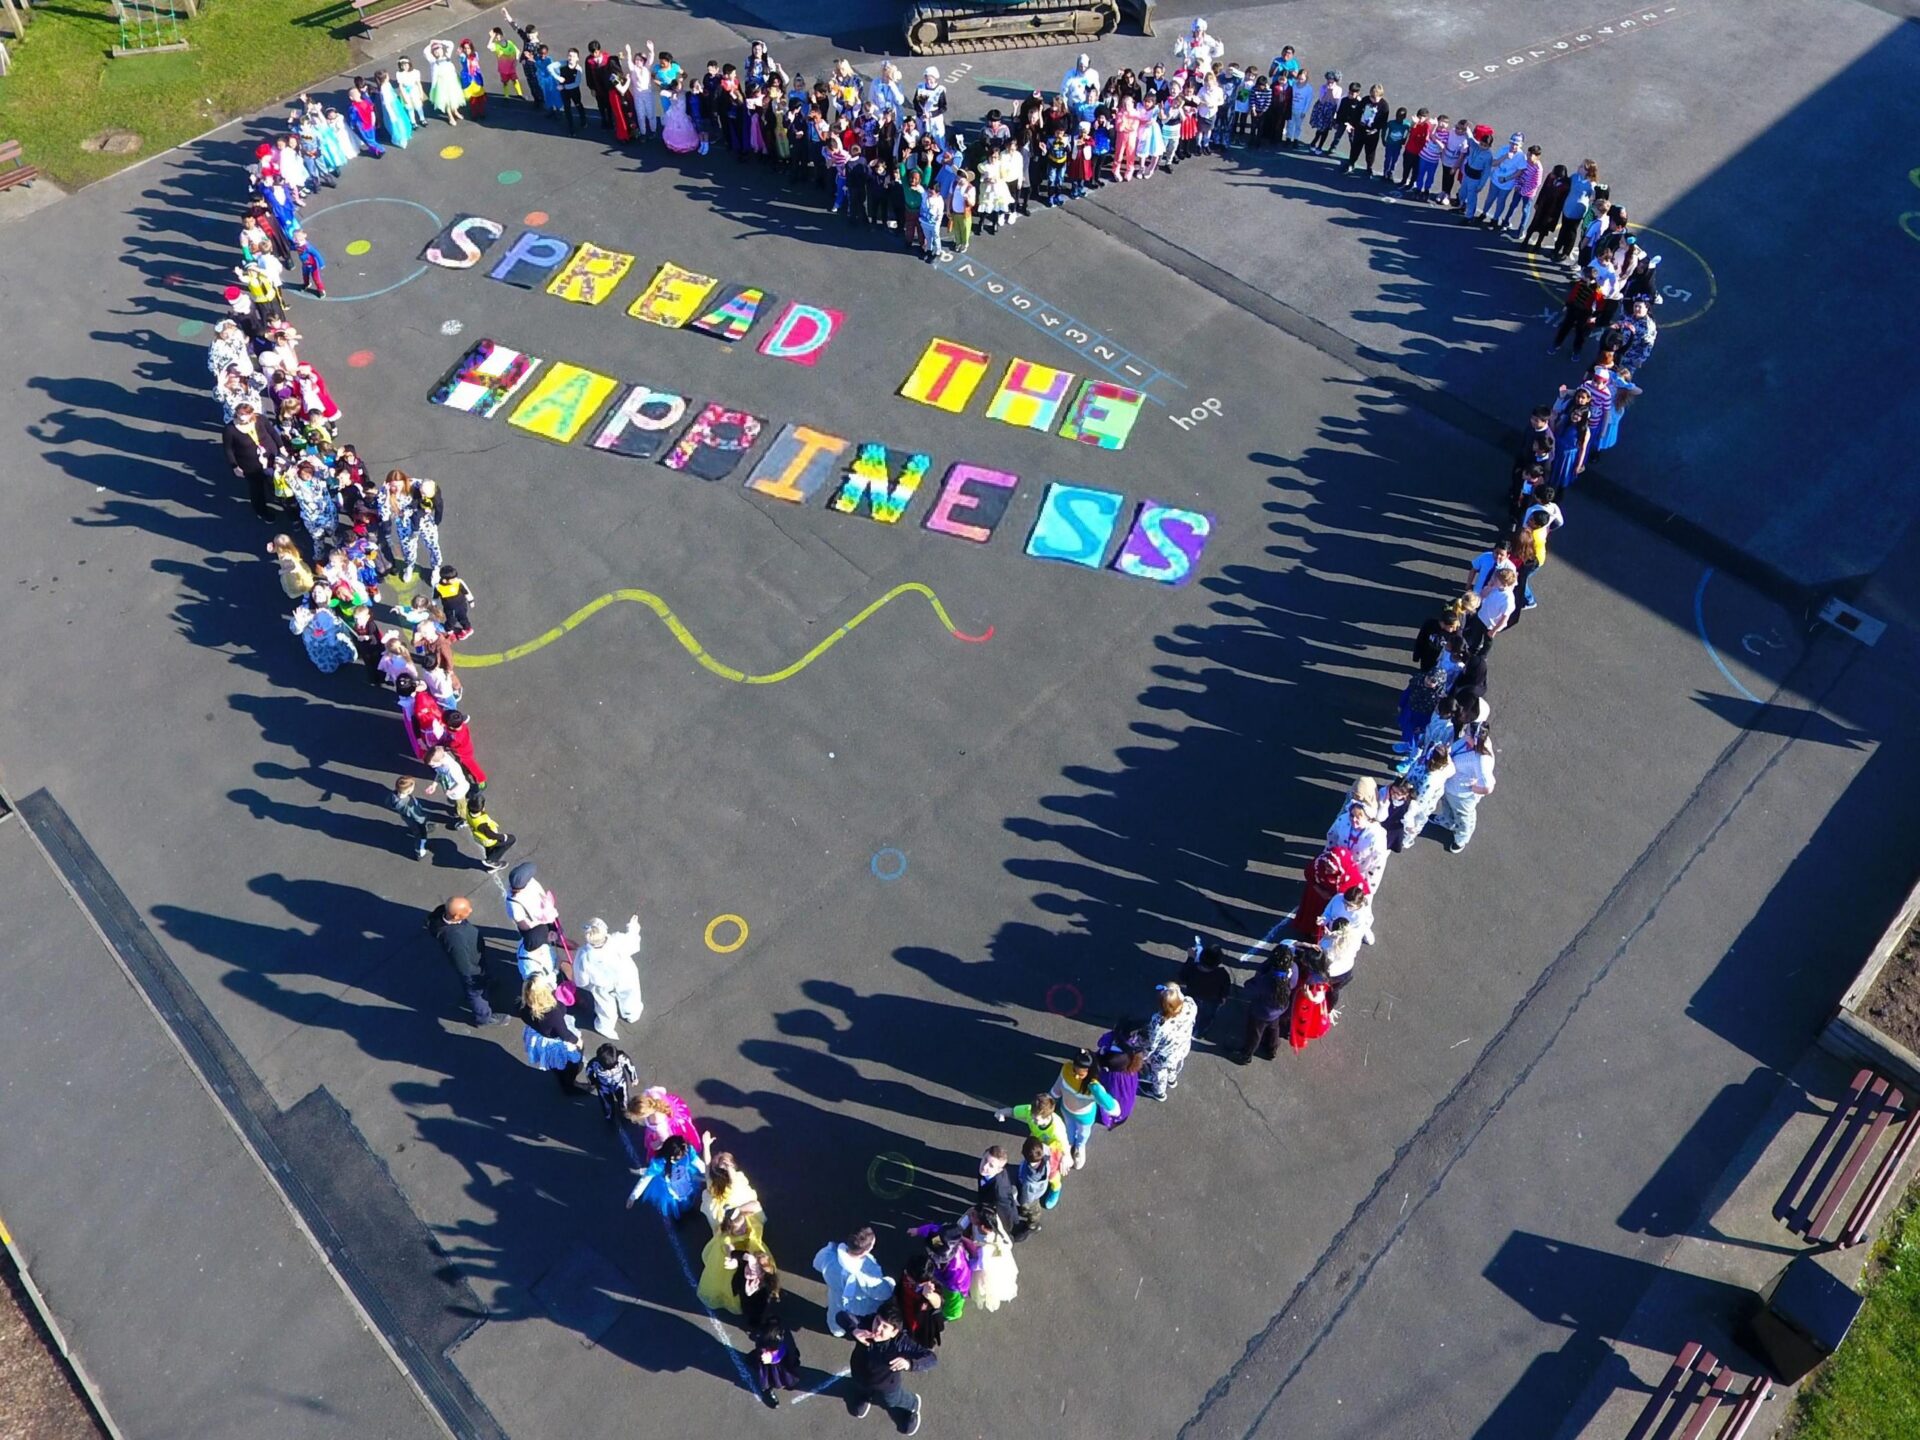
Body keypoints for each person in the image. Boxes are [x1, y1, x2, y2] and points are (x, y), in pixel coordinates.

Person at [847, 1303, 934, 1433]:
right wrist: (854, 1330)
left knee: (891, 1402)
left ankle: (912, 1404)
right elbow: (843, 1315)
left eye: (885, 1327)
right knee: (860, 1387)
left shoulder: (900, 1343)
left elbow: (931, 1358)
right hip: (859, 1374)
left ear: (894, 1332)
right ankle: (865, 1396)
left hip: (886, 1385)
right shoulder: (866, 1325)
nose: (877, 1329)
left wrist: (909, 1364)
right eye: (877, 1321)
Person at [424, 896, 508, 1027]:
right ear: (457, 916)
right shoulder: (454, 938)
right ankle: (484, 1018)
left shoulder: (445, 913)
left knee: (481, 980)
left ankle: (487, 981)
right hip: (474, 971)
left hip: (478, 962)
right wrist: (475, 977)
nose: (470, 910)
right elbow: (463, 965)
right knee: (476, 995)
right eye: (466, 910)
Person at [814, 1226, 895, 1337]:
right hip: (859, 1306)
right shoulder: (869, 1270)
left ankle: (836, 1329)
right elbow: (882, 1293)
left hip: (836, 1297)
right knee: (858, 1319)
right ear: (867, 1250)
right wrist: (890, 1283)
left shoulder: (830, 1254)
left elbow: (817, 1263)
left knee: (834, 1313)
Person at [574, 914, 644, 1039]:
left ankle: (605, 1027)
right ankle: (632, 1014)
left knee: (605, 1008)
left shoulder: (583, 955)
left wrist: (587, 985)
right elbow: (634, 944)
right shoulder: (617, 940)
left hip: (602, 986)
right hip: (626, 977)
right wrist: (633, 927)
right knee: (631, 998)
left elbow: (581, 981)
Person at [1049, 1050, 1119, 1170]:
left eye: (1080, 1074)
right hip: (1066, 1110)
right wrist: (1051, 1099)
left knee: (1082, 1134)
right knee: (1068, 1130)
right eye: (1074, 1070)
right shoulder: (1066, 1069)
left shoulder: (1094, 1087)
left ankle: (1079, 1148)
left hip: (1084, 1117)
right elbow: (1058, 1085)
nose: (1076, 1075)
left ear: (1089, 1071)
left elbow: (1113, 1108)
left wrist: (1111, 1108)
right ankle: (1068, 1144)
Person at [991, 1094, 1069, 1202]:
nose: (1032, 1120)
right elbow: (1013, 1111)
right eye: (1032, 1116)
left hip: (1052, 1151)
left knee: (1052, 1174)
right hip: (1037, 1145)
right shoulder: (1030, 1111)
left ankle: (1056, 1187)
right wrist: (1002, 1112)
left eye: (1036, 1119)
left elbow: (1065, 1143)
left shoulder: (1057, 1128)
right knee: (1030, 1163)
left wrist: (1066, 1157)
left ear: (1047, 1117)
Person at [1437, 725, 1497, 853]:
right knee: (1446, 803)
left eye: (1468, 732)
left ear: (1474, 738)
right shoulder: (1469, 743)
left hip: (1461, 795)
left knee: (1463, 817)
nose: (1465, 732)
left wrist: (1474, 789)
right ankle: (1447, 820)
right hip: (1450, 785)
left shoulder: (1482, 759)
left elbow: (1488, 787)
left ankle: (1461, 838)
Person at [1237, 946, 1302, 1062]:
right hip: (1280, 1008)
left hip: (1262, 1012)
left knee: (1255, 1033)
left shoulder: (1265, 980)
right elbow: (1293, 984)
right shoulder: (1294, 969)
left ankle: (1246, 1055)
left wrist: (1261, 971)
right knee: (1273, 1028)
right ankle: (1272, 1050)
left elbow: (1249, 988)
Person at [699, 1210, 773, 1312]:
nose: (743, 1230)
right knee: (732, 1283)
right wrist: (733, 1258)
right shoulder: (726, 1240)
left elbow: (755, 1206)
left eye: (744, 1226)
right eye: (739, 1231)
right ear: (730, 1231)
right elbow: (729, 1249)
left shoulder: (745, 1220)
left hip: (747, 1255)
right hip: (738, 1259)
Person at [521, 974, 583, 1092]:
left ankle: (560, 1076)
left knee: (554, 1063)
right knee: (571, 1063)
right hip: (554, 1039)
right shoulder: (552, 1013)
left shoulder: (523, 1007)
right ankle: (569, 1085)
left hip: (539, 1037)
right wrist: (577, 1041)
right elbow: (564, 1034)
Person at [627, 1132, 708, 1220]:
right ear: (671, 1156)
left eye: (684, 1153)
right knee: (651, 1173)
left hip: (684, 1179)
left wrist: (708, 1174)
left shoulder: (687, 1151)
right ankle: (640, 1171)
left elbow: (698, 1163)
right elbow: (645, 1180)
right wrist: (633, 1196)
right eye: (680, 1156)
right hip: (672, 1186)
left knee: (688, 1196)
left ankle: (642, 1171)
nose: (684, 1156)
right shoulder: (660, 1164)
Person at [224, 401, 282, 519]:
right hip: (251, 465)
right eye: (239, 414)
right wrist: (234, 466)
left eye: (245, 414)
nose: (242, 417)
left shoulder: (260, 419)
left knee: (275, 479)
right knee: (257, 489)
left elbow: (272, 432)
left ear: (251, 414)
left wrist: (281, 446)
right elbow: (228, 449)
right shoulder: (230, 429)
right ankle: (261, 511)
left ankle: (277, 496)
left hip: (270, 457)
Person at [1142, 982, 1199, 1101]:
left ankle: (1159, 1092)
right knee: (1175, 1064)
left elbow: (1152, 1044)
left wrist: (1144, 1056)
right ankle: (1172, 1080)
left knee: (1159, 1073)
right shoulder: (1190, 1005)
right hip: (1182, 1046)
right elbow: (1183, 997)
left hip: (1164, 1056)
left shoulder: (1159, 1022)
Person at [957, 1203, 1017, 1312]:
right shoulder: (991, 1220)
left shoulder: (986, 1248)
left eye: (973, 1215)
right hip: (984, 1255)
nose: (970, 1214)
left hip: (984, 1264)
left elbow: (977, 1265)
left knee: (980, 1286)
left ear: (982, 1226)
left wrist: (965, 1261)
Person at [1179, 937, 1233, 1036]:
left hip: (1192, 997)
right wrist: (1223, 998)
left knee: (1187, 1014)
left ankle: (1186, 1029)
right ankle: (1199, 1033)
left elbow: (1182, 976)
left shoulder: (1192, 969)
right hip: (1211, 1001)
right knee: (1206, 1018)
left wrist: (1190, 958)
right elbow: (1225, 988)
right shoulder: (1222, 974)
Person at [390, 775, 450, 860]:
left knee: (414, 827)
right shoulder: (408, 805)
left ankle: (422, 829)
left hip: (407, 818)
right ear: (408, 791)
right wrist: (425, 818)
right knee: (421, 835)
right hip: (416, 819)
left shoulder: (394, 794)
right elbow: (419, 817)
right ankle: (419, 851)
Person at [747, 1314, 800, 1410]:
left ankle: (788, 1382)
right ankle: (767, 1390)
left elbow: (789, 1347)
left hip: (782, 1360)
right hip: (770, 1364)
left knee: (786, 1374)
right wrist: (768, 1356)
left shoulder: (783, 1333)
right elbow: (761, 1350)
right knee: (769, 1377)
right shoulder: (763, 1337)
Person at [584, 1041, 637, 1120]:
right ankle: (609, 1114)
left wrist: (633, 1078)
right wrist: (592, 1082)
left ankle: (624, 1110)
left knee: (624, 1099)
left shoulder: (621, 1057)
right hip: (604, 1087)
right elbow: (589, 1073)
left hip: (620, 1084)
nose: (611, 1070)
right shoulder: (594, 1064)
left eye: (614, 1066)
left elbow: (630, 1066)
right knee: (606, 1103)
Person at [463, 792, 514, 870]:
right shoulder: (481, 823)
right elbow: (490, 834)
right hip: (489, 840)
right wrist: (502, 837)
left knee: (489, 850)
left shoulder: (468, 809)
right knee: (511, 839)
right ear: (482, 808)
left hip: (479, 838)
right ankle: (491, 860)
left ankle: (490, 866)